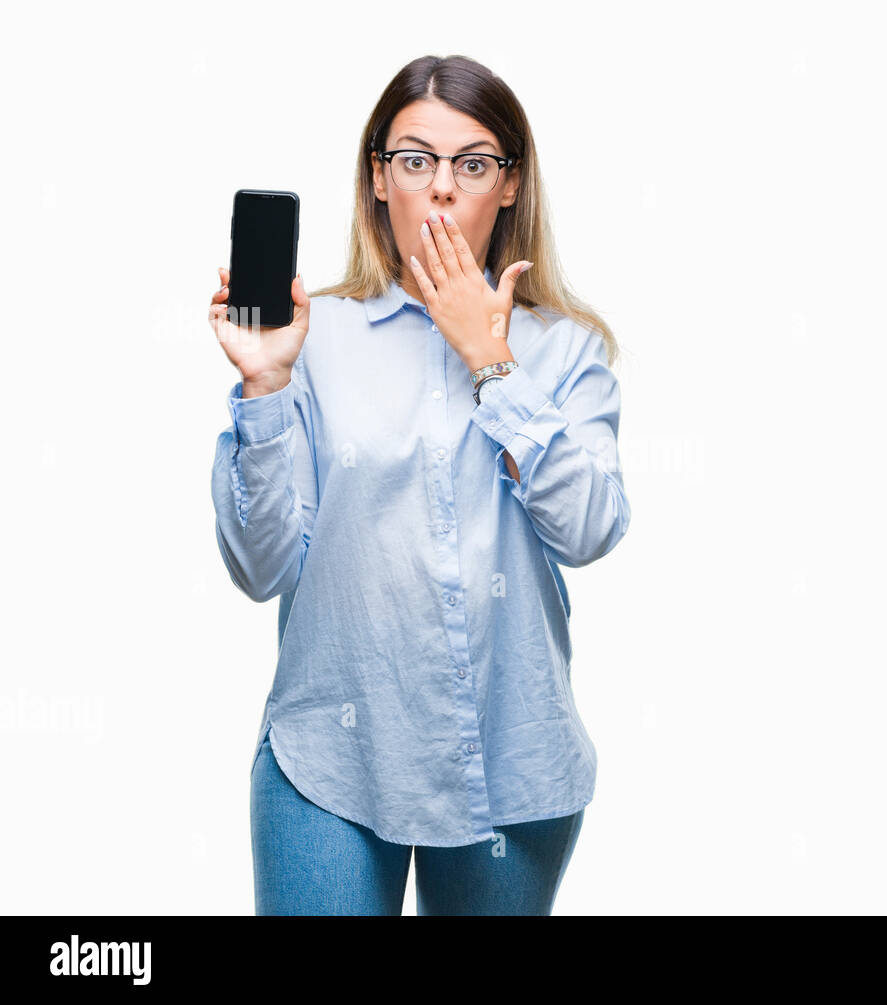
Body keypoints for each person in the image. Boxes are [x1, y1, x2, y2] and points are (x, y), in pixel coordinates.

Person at [207, 54, 631, 915]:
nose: (442, 189)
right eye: (415, 160)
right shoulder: (311, 337)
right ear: (378, 179)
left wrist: (492, 361)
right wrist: (263, 386)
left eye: (473, 164)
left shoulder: (567, 347)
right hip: (329, 760)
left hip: (511, 764)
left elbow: (590, 530)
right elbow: (260, 570)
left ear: (509, 186)